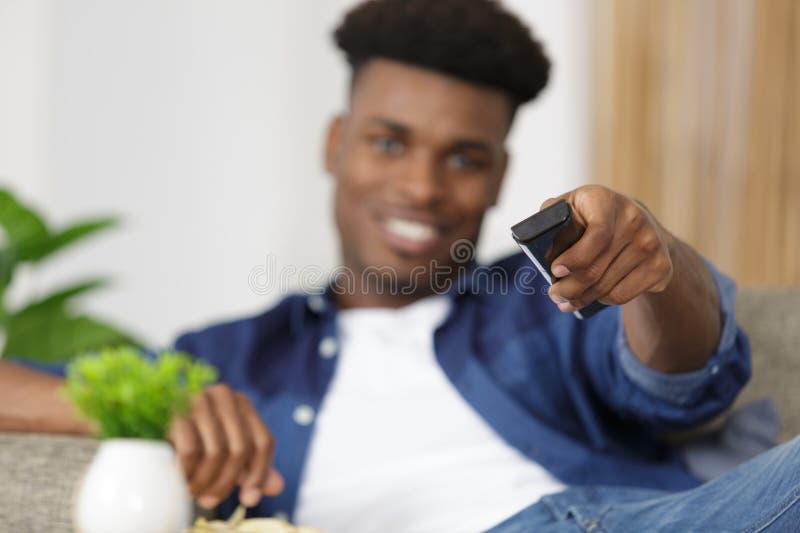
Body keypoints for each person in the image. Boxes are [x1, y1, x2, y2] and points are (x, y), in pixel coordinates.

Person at [1, 1, 797, 531]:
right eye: (389, 141)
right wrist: (125, 409)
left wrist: (655, 265)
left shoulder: (539, 298)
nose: (421, 186)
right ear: (334, 143)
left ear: (500, 175)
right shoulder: (227, 360)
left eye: (464, 157)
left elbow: (685, 382)